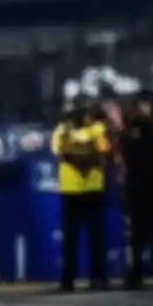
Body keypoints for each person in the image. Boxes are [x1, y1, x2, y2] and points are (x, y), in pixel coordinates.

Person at [51, 100, 112, 291]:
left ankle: (96, 278)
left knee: (94, 239)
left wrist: (75, 146)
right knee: (73, 240)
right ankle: (70, 279)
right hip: (73, 191)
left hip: (90, 189)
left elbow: (102, 150)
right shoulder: (64, 130)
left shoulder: (96, 129)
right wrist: (86, 147)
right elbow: (59, 150)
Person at [121, 90, 153, 289]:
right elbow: (131, 160)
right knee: (138, 237)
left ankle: (136, 274)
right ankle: (135, 274)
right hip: (140, 189)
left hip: (145, 188)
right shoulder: (135, 129)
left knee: (140, 236)